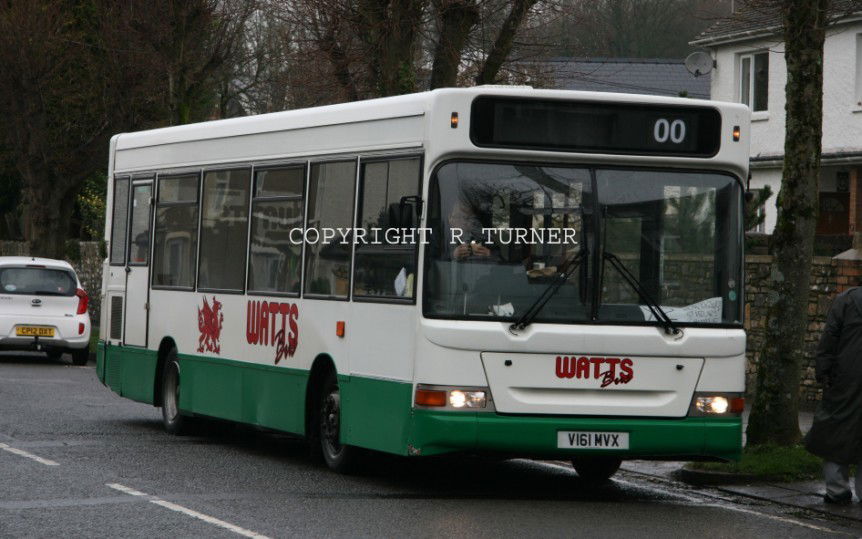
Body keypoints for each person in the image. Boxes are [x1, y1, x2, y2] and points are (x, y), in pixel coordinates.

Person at [804, 285, 862, 504]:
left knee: (836, 431)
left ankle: (837, 490)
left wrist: (824, 370)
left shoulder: (846, 300)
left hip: (846, 378)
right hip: (847, 377)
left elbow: (830, 337)